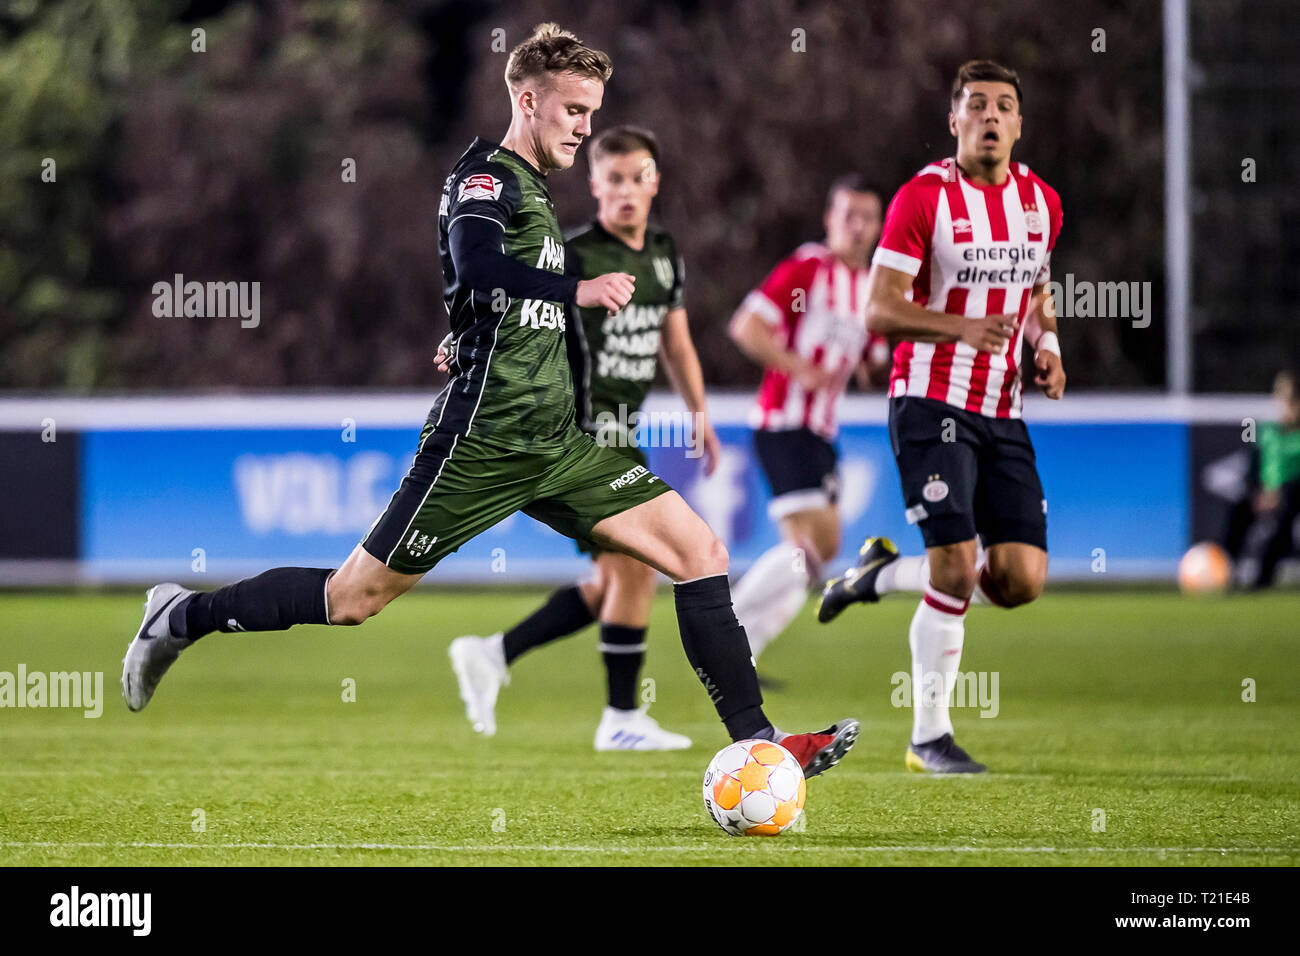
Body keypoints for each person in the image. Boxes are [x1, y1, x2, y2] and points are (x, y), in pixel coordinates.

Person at [120, 23, 858, 778]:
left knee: (699, 552)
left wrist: (475, 332)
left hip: (557, 444)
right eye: (574, 110)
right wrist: (575, 288)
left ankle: (761, 747)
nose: (585, 127)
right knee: (352, 599)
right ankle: (182, 614)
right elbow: (475, 262)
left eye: (593, 113)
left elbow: (500, 298)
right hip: (482, 440)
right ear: (528, 100)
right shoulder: (485, 178)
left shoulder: (534, 191)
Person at [818, 60, 1065, 774]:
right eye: (977, 105)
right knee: (956, 565)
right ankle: (930, 737)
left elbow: (1038, 285)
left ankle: (877, 578)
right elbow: (879, 310)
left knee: (1021, 579)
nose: (991, 116)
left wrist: (1046, 344)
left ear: (1019, 124)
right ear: (953, 120)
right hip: (931, 402)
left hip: (1003, 408)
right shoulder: (923, 198)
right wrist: (958, 329)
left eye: (1005, 106)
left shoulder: (1040, 202)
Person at [445, 124, 720, 751]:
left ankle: (494, 653)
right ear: (593, 184)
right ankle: (621, 718)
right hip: (582, 431)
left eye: (638, 177)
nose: (626, 190)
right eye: (613, 178)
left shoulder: (665, 252)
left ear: (656, 183)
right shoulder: (570, 255)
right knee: (635, 571)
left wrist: (699, 410)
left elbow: (674, 339)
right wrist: (460, 340)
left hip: (628, 430)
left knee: (615, 581)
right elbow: (508, 304)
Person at [725, 175, 890, 660]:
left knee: (813, 554)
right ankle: (724, 619)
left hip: (820, 431)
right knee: (818, 544)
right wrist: (799, 366)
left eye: (867, 218)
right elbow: (746, 327)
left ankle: (743, 651)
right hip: (784, 423)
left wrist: (871, 364)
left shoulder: (871, 286)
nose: (857, 228)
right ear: (830, 221)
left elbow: (872, 352)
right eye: (848, 216)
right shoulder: (810, 269)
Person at [1221, 369, 1300, 587]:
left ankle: (1262, 579)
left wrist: (1282, 492)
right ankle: (1227, 570)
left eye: (1292, 398)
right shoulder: (1267, 431)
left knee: (1284, 519)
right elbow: (1252, 467)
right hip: (1265, 495)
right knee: (1238, 510)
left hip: (1291, 496)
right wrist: (1257, 492)